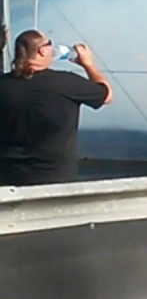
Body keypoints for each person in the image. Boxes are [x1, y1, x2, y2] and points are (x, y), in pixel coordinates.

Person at [0, 29, 113, 185]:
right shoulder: (67, 83)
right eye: (49, 44)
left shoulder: (4, 84)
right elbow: (106, 95)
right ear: (42, 50)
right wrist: (88, 64)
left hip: (7, 182)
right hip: (55, 182)